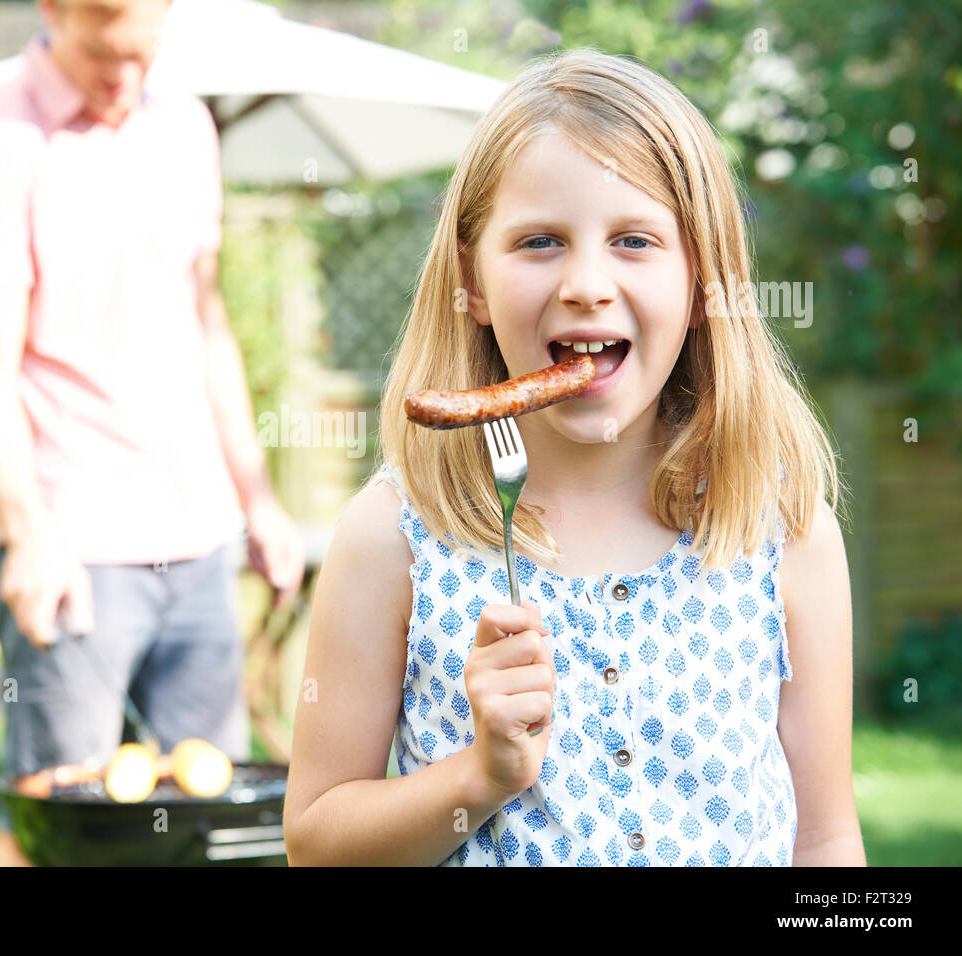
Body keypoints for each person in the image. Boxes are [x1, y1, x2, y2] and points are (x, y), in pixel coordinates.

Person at [284, 48, 865, 866]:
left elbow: (827, 837)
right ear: (472, 283)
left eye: (634, 239)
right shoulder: (392, 537)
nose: (587, 284)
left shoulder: (782, 528)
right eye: (540, 242)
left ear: (703, 282)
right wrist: (479, 778)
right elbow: (315, 844)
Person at [0, 0, 304, 867]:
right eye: (105, 53)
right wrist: (25, 533)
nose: (126, 78)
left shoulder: (184, 127)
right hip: (77, 548)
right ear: (53, 9)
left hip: (200, 537)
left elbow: (206, 325)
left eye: (146, 53)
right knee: (65, 831)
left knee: (200, 830)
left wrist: (259, 499)